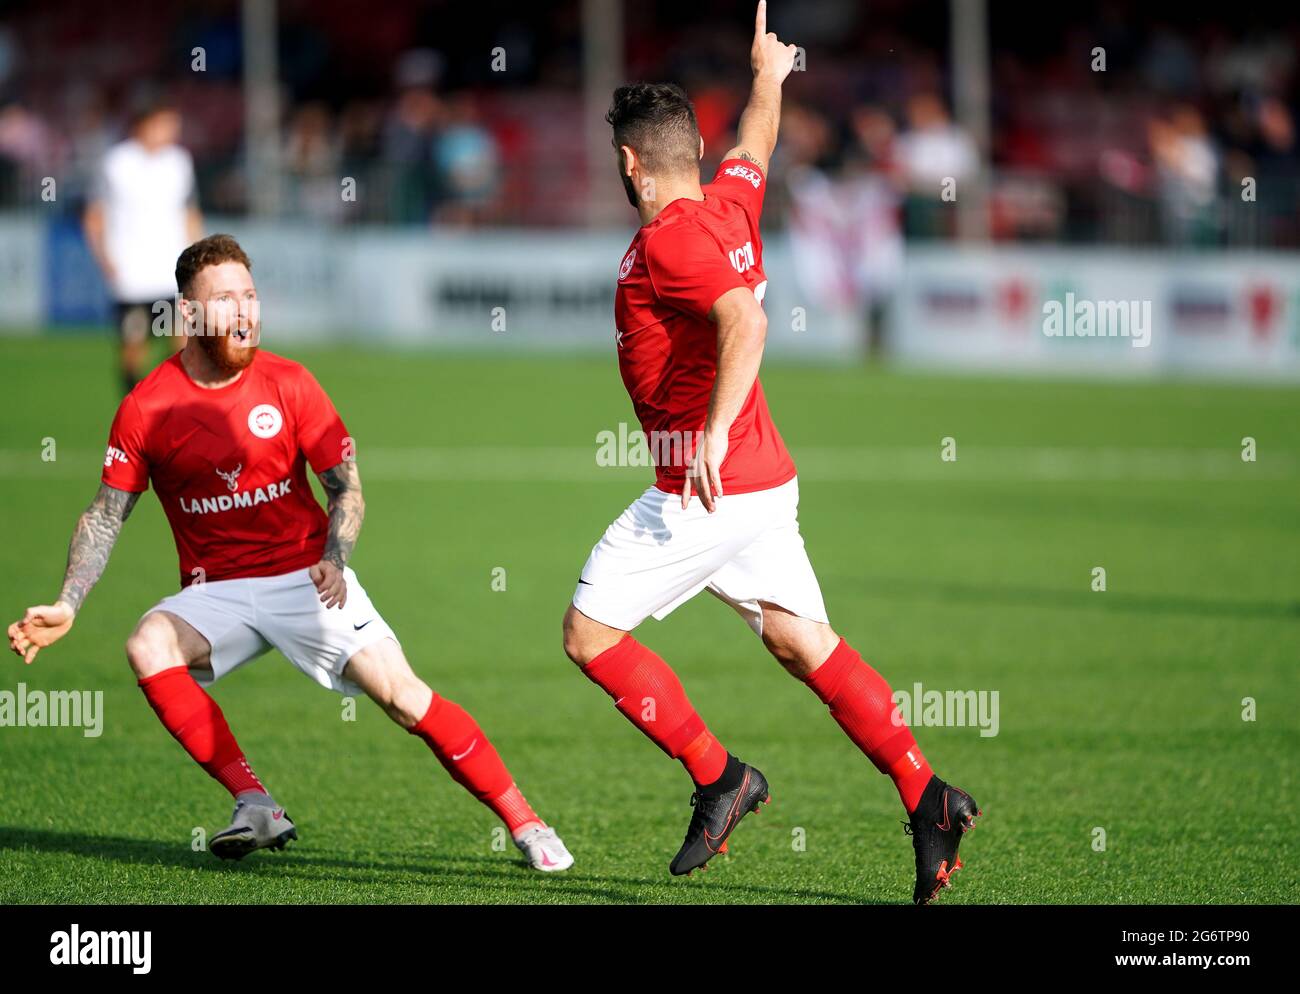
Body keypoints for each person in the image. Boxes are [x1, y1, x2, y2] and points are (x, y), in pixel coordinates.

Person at [561, 1, 979, 902]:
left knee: (589, 635)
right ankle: (928, 794)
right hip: (761, 482)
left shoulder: (673, 239)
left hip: (705, 487)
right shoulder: (729, 203)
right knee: (802, 642)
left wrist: (709, 431)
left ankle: (720, 779)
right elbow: (758, 141)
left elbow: (744, 320)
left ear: (630, 164)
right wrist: (767, 77)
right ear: (694, 155)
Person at [8, 233, 573, 873]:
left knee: (402, 696)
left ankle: (526, 823)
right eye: (226, 300)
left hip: (308, 576)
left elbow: (345, 487)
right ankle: (254, 802)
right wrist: (68, 601)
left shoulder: (290, 383)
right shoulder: (148, 407)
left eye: (251, 295)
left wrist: (337, 554)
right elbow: (107, 514)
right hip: (215, 588)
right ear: (188, 315)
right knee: (147, 644)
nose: (246, 311)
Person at [84, 102, 203, 395]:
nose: (172, 131)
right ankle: (133, 408)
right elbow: (94, 216)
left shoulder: (179, 162)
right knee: (133, 349)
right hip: (131, 276)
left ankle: (169, 403)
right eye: (165, 123)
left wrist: (198, 257)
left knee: (183, 344)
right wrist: (104, 259)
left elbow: (190, 213)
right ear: (144, 124)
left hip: (172, 272)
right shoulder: (116, 163)